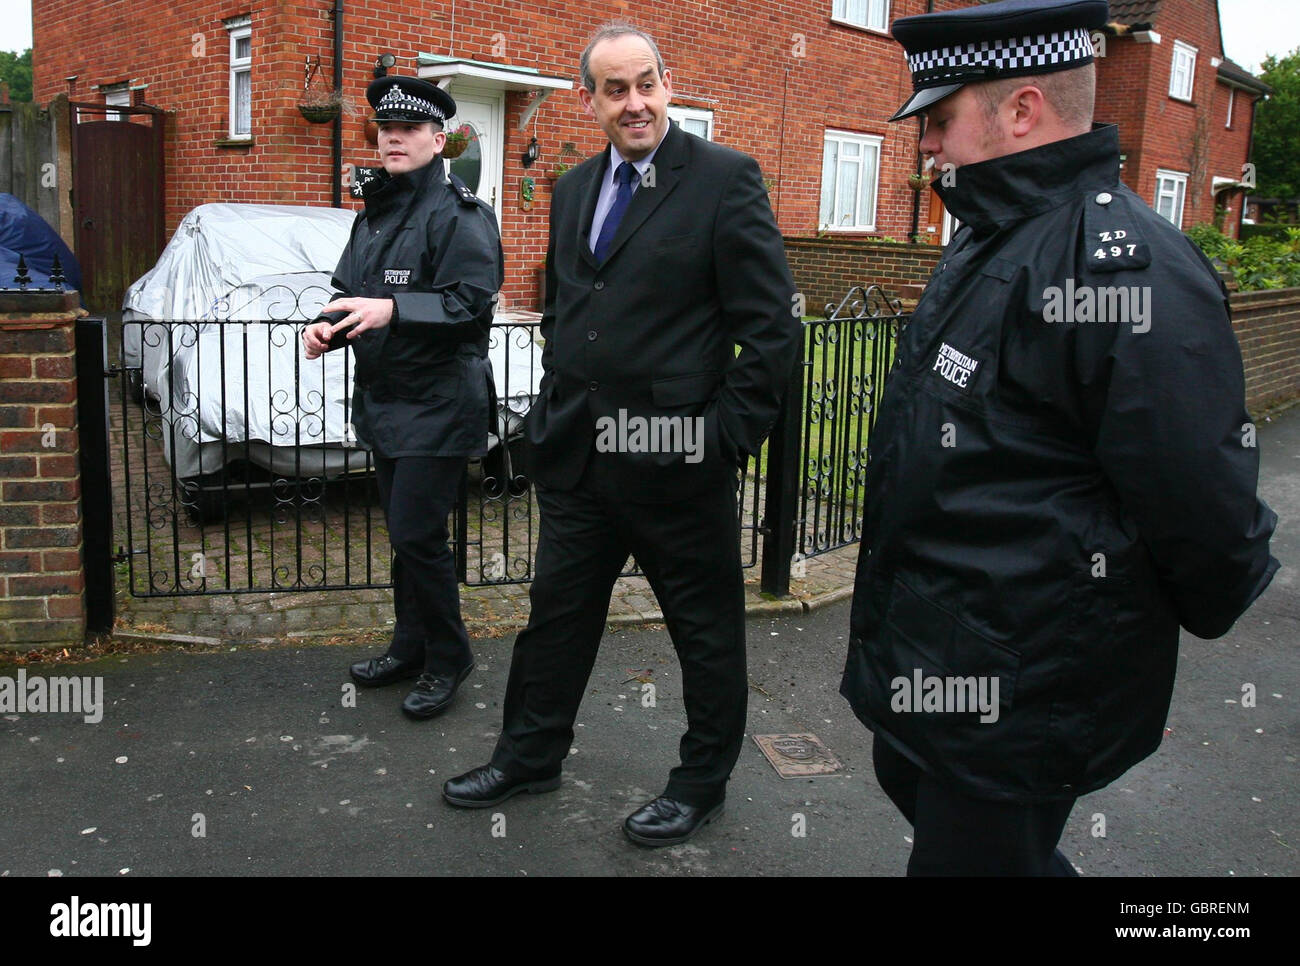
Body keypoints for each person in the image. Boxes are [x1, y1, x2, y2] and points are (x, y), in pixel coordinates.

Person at [839, 0, 1279, 875]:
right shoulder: (993, 238)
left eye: (940, 116)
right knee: (919, 791)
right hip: (943, 648)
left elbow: (1202, 501)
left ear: (1021, 109)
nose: (924, 142)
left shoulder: (1128, 271)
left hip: (1027, 676)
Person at [442, 23, 800, 846]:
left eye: (646, 83)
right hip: (578, 459)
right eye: (615, 89)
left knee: (705, 633)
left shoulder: (724, 181)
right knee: (555, 620)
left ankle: (699, 781)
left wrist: (723, 440)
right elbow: (572, 304)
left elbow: (773, 333)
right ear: (589, 98)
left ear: (667, 83)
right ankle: (530, 754)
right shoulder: (572, 188)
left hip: (680, 462)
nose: (634, 103)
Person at [302, 76, 504, 720]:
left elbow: (471, 306)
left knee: (419, 536)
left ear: (438, 141)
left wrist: (392, 308)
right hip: (386, 401)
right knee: (406, 536)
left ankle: (449, 657)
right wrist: (326, 330)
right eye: (386, 129)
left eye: (411, 129)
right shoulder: (377, 211)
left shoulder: (460, 214)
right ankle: (408, 645)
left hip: (440, 404)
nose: (395, 137)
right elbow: (350, 294)